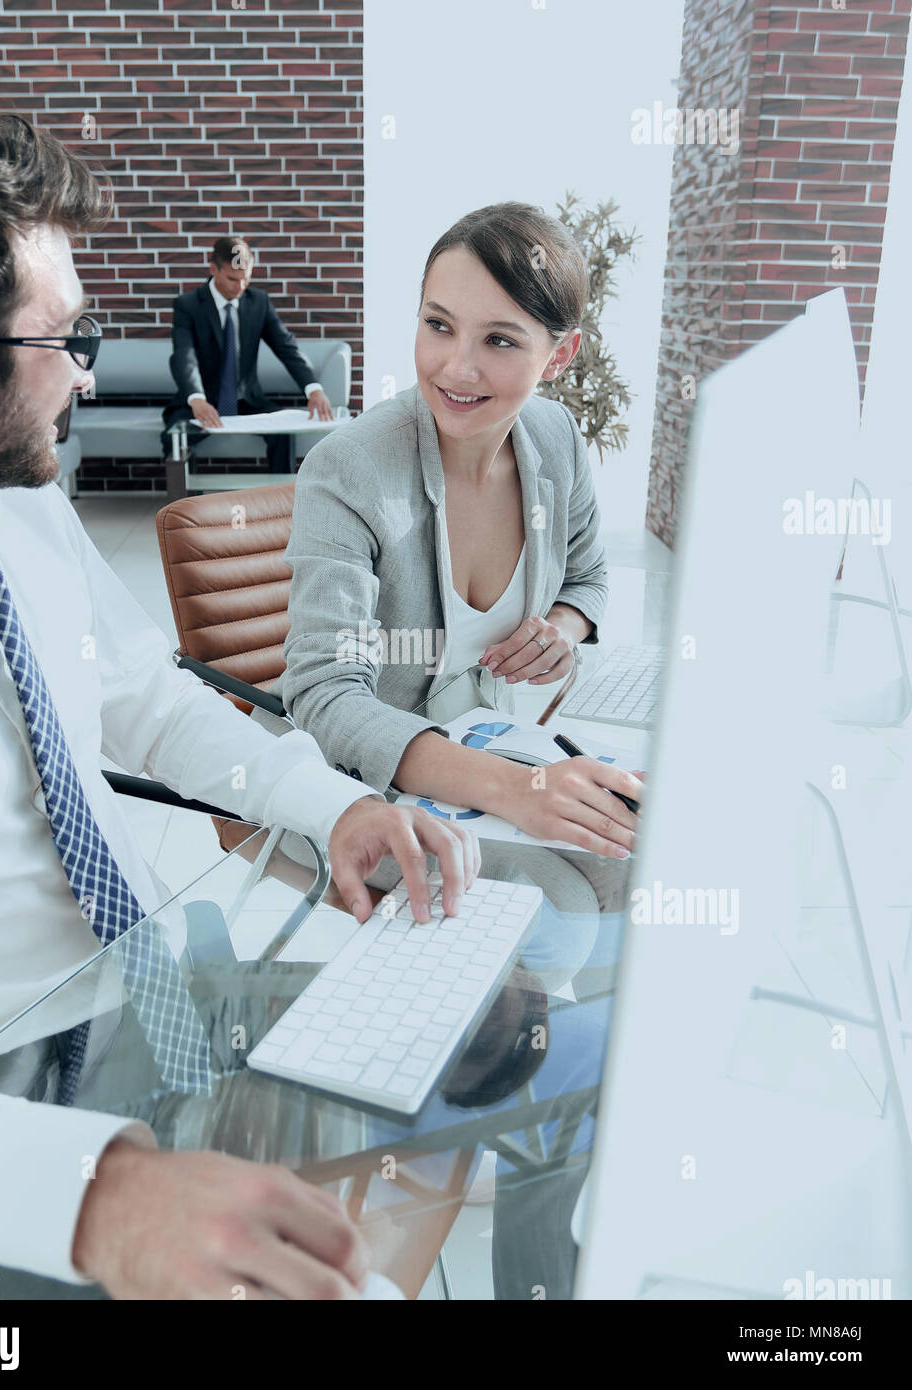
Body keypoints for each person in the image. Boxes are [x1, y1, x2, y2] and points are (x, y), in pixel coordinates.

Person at [0, 99, 479, 1300]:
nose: (88, 370)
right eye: (67, 338)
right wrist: (91, 1197)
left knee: (485, 1054)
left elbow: (144, 698)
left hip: (155, 984)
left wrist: (323, 804)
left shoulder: (17, 504)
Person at [261, 202, 645, 985]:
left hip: (500, 751)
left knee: (644, 871)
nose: (455, 368)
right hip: (366, 786)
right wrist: (519, 790)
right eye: (439, 325)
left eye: (499, 340)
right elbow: (325, 694)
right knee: (559, 932)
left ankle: (593, 1091)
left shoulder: (554, 440)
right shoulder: (353, 469)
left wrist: (566, 626)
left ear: (561, 353)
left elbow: (589, 578)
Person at [161, 236, 334, 474]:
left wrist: (313, 388)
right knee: (174, 440)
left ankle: (279, 504)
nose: (240, 287)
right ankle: (188, 504)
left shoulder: (258, 303)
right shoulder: (188, 305)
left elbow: (286, 347)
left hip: (248, 400)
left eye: (246, 279)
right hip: (199, 401)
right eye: (233, 279)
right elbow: (184, 356)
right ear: (213, 269)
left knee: (283, 435)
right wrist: (197, 398)